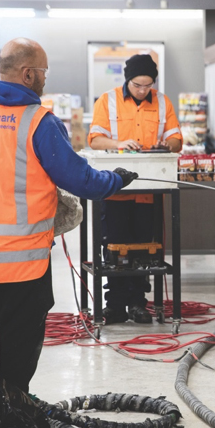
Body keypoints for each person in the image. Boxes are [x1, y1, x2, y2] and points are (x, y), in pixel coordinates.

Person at [0, 37, 136, 392]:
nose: (46, 78)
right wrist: (116, 180)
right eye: (44, 72)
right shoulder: (39, 122)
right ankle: (14, 423)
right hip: (25, 267)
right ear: (28, 73)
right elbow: (81, 180)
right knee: (18, 357)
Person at [88, 54, 182, 324]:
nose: (143, 90)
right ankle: (114, 304)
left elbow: (176, 138)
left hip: (149, 188)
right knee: (116, 246)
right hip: (115, 188)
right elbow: (95, 139)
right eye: (138, 85)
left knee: (145, 248)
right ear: (127, 80)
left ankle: (138, 304)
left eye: (148, 85)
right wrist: (118, 142)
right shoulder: (107, 101)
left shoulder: (163, 102)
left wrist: (168, 145)